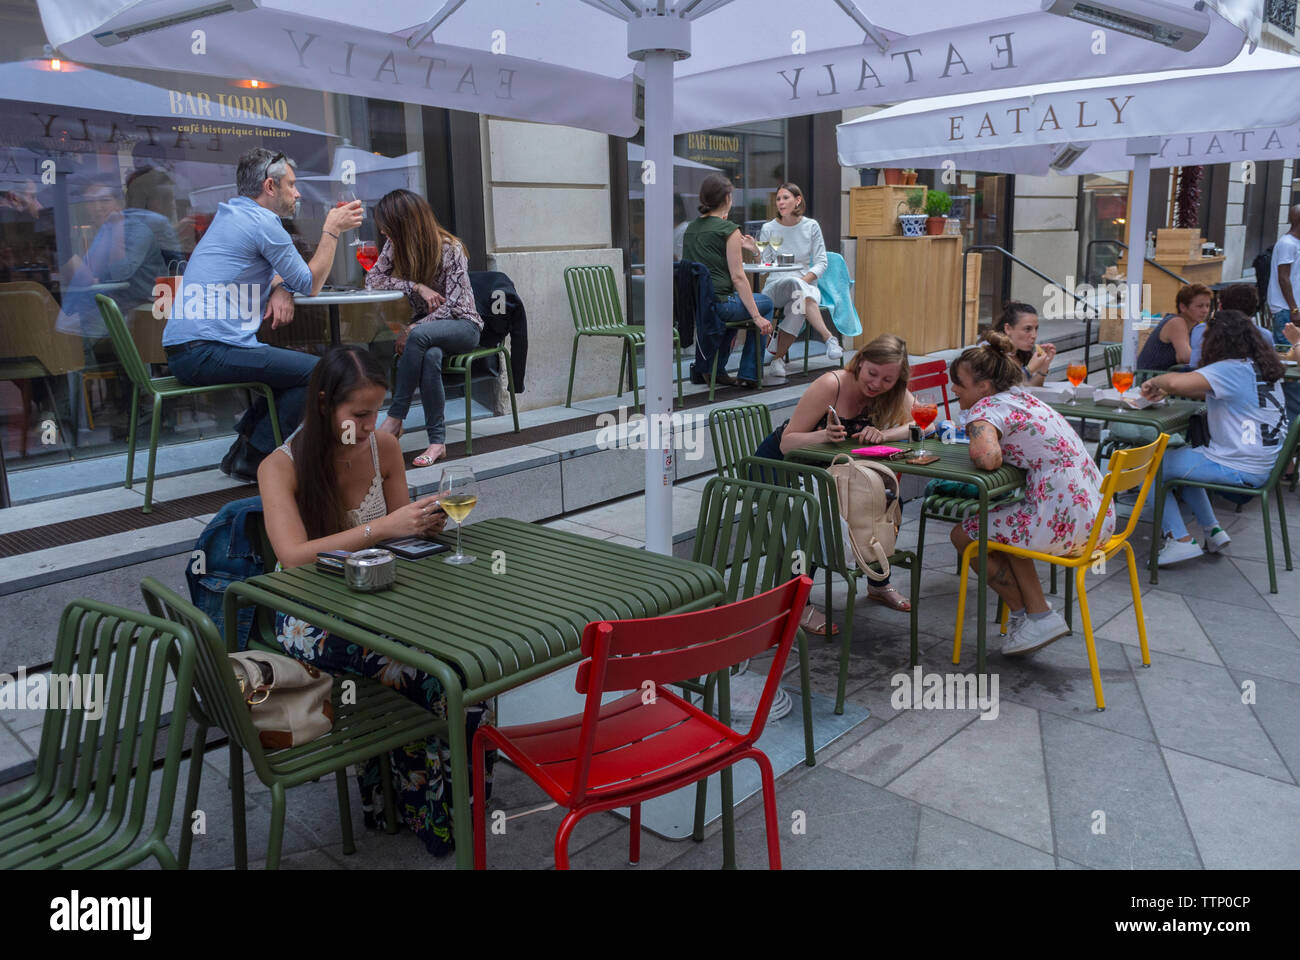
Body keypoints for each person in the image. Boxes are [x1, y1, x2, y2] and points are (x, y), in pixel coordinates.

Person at [258, 345, 492, 857]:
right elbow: (293, 557)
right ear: (324, 403)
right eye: (359, 414)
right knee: (422, 671)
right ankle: (423, 811)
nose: (370, 425)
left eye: (376, 411)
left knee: (468, 658)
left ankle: (461, 804)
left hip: (381, 594)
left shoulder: (383, 447)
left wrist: (421, 524)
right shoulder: (280, 466)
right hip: (309, 612)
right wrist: (383, 527)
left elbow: (399, 534)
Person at [163, 146, 363, 482]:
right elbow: (311, 284)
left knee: (292, 373)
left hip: (187, 350)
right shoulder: (264, 223)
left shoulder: (231, 215)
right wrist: (331, 230)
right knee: (320, 372)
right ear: (270, 186)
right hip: (207, 350)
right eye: (291, 185)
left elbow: (262, 272)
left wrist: (280, 287)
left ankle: (244, 450)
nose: (297, 193)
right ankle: (255, 456)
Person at [948, 332, 1114, 656]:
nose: (953, 389)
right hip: (1098, 518)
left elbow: (987, 458)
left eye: (959, 383)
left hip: (1065, 523)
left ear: (983, 387)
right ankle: (1036, 615)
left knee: (964, 536)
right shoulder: (1022, 397)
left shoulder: (985, 408)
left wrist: (978, 435)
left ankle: (1033, 616)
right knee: (1005, 523)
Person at [753, 334, 918, 618]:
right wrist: (824, 436)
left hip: (829, 473)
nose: (877, 384)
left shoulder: (891, 391)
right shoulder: (832, 384)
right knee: (813, 514)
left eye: (887, 380)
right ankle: (796, 604)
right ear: (860, 361)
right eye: (872, 373)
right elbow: (787, 443)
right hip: (781, 468)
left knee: (890, 499)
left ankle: (878, 581)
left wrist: (884, 434)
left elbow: (924, 423)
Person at [1140, 310, 1287, 567]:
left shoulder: (1231, 368)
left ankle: (1179, 540)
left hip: (1238, 467)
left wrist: (1156, 381)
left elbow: (1175, 382)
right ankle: (1213, 531)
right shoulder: (1260, 367)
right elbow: (1221, 392)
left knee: (1151, 465)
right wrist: (1168, 388)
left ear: (1217, 341)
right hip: (1264, 464)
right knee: (1187, 459)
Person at [366, 189, 482, 467]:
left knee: (418, 336)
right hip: (426, 333)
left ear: (404, 223)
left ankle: (395, 418)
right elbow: (372, 280)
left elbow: (454, 305)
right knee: (430, 356)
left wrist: (413, 328)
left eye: (386, 224)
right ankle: (437, 443)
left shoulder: (450, 248)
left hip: (463, 325)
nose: (382, 231)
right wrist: (416, 286)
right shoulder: (395, 245)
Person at [681, 173, 774, 388]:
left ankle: (715, 369)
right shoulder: (728, 229)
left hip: (699, 306)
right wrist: (757, 316)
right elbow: (738, 277)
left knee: (741, 307)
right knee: (766, 303)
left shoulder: (691, 228)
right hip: (721, 304)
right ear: (726, 199)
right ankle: (750, 373)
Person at [756, 183, 843, 378]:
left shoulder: (811, 226)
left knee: (798, 306)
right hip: (775, 288)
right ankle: (829, 338)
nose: (780, 202)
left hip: (804, 287)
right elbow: (764, 267)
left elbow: (821, 262)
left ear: (798, 200)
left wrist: (803, 281)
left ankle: (777, 360)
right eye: (778, 199)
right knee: (798, 291)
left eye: (785, 197)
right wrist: (755, 251)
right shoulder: (768, 228)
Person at [1136, 283, 1212, 372]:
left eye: (1207, 306)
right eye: (1200, 306)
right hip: (1148, 376)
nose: (1205, 310)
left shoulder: (1195, 326)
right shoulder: (1176, 322)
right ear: (1183, 307)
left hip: (1165, 376)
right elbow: (1186, 357)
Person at [989, 303, 1055, 386]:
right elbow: (1001, 389)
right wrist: (1028, 370)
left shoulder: (1022, 353)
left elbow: (1031, 387)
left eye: (1036, 329)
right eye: (1027, 329)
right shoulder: (990, 354)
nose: (1034, 335)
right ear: (1008, 329)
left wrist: (1044, 367)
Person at [1266, 205, 1300, 346]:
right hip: (1286, 310)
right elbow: (1283, 278)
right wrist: (1294, 309)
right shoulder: (1287, 244)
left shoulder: (1295, 243)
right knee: (1287, 352)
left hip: (1292, 309)